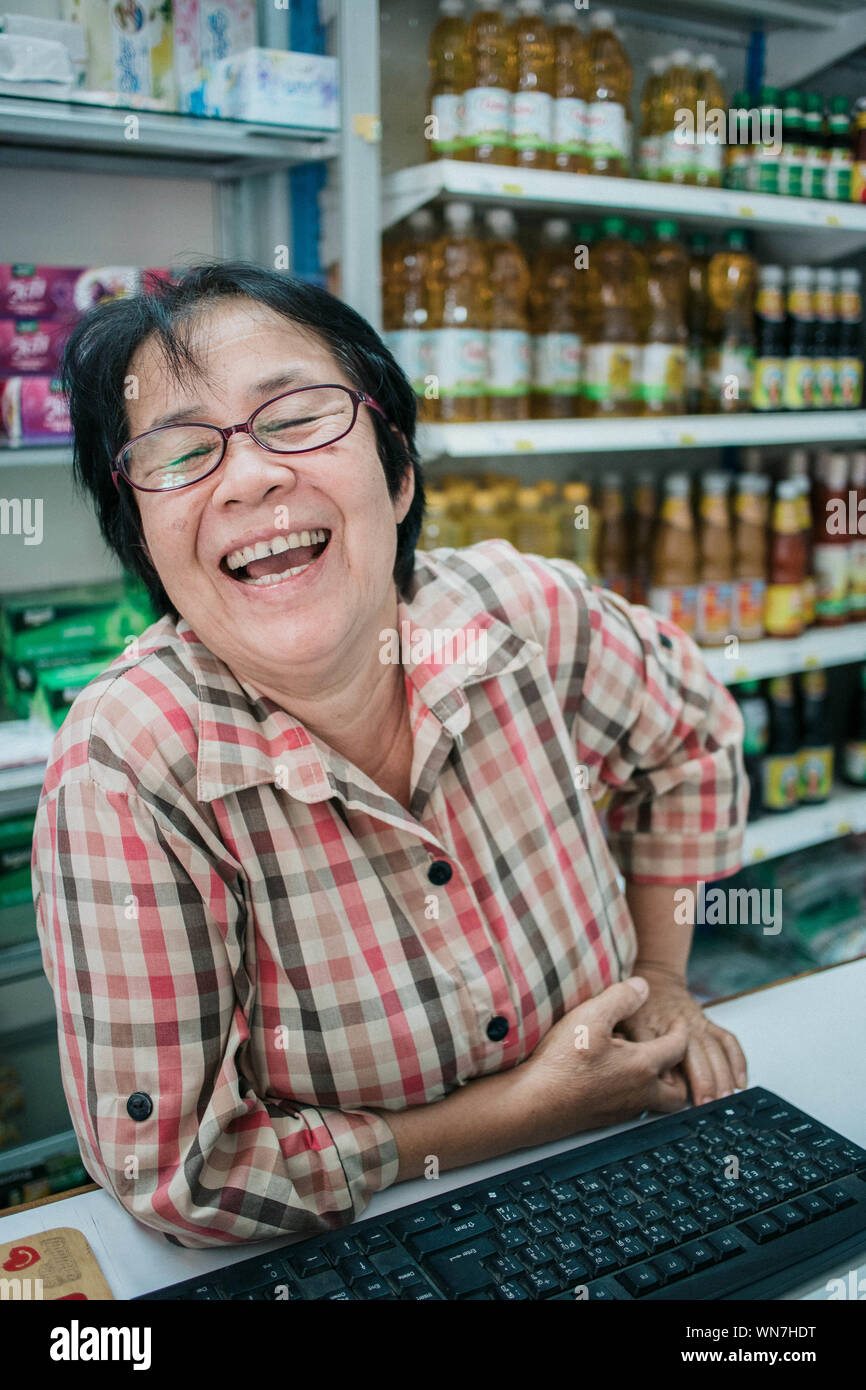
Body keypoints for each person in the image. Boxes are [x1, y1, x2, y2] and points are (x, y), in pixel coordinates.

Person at [32, 262, 749, 1250]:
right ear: (144, 542)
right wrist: (519, 1114)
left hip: (631, 1170)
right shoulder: (128, 775)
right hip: (360, 1245)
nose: (248, 476)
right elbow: (180, 1180)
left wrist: (663, 977)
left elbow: (693, 737)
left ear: (397, 470)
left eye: (294, 418)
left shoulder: (522, 618)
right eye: (180, 453)